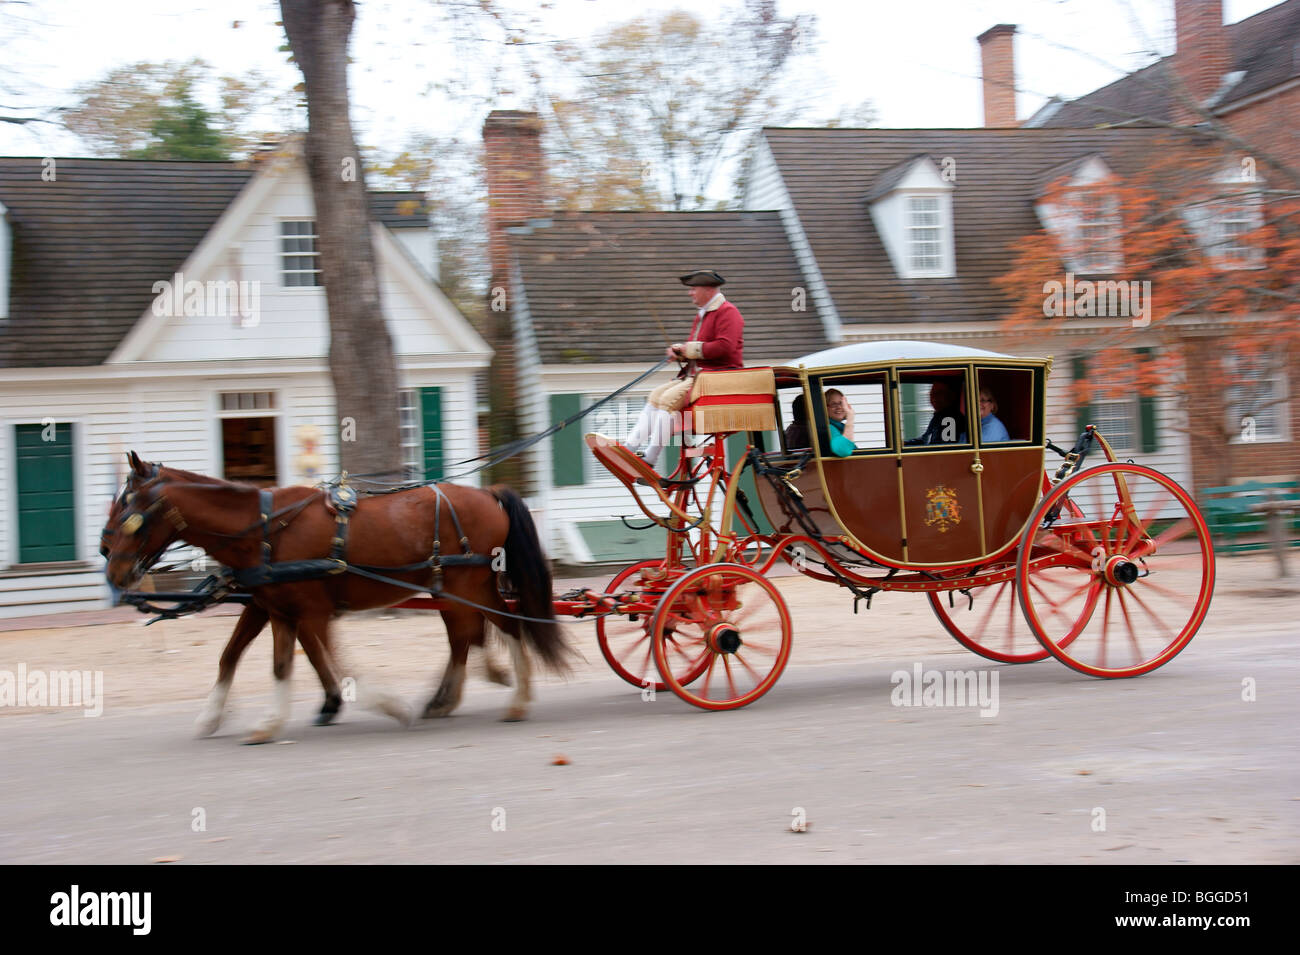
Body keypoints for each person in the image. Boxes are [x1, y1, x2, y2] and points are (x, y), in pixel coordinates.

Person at [625, 269, 744, 468]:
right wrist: (680, 352)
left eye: (693, 289)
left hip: (717, 377)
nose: (690, 293)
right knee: (655, 395)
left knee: (667, 401)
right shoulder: (703, 315)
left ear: (707, 289)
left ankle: (650, 458)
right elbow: (696, 350)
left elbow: (725, 347)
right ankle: (629, 447)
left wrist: (686, 349)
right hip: (698, 376)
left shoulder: (728, 312)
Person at [905, 380, 965, 446]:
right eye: (931, 393)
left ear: (952, 395)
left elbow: (946, 450)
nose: (933, 397)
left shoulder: (950, 419)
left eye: (939, 393)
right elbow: (926, 439)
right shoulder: (938, 417)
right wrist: (904, 444)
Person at [824, 388, 856, 457]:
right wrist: (850, 417)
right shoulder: (828, 428)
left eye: (841, 403)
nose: (839, 407)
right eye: (833, 404)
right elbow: (843, 451)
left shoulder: (840, 427)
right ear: (825, 408)